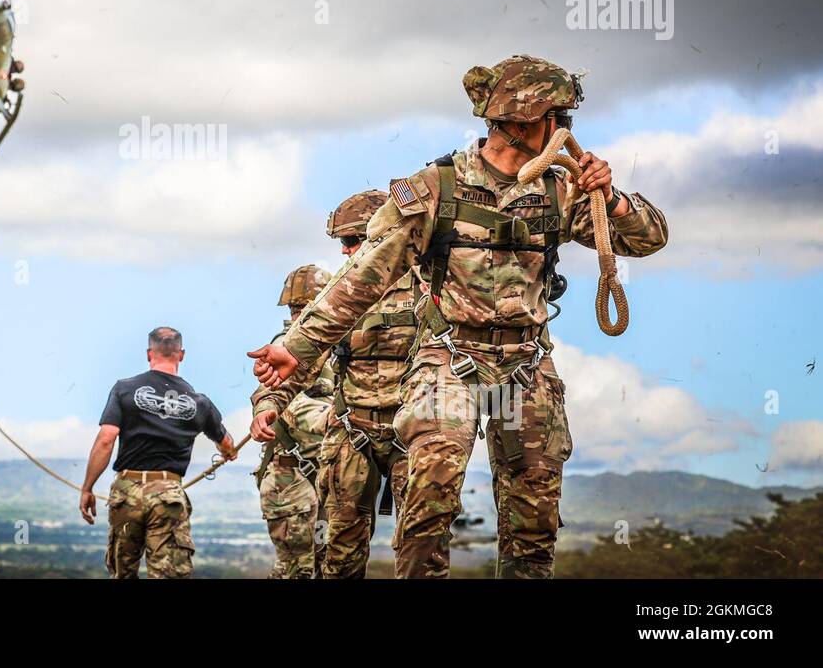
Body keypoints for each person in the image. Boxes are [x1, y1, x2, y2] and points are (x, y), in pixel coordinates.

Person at [251, 55, 668, 578]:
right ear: (522, 119)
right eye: (557, 118)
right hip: (449, 358)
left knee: (535, 515)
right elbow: (365, 276)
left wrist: (614, 199)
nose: (565, 131)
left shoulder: (562, 191)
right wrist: (297, 347)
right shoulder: (436, 189)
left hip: (526, 362)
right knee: (430, 491)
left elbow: (647, 240)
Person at [252, 190, 419, 578]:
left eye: (351, 241)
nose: (345, 252)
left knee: (421, 546)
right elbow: (295, 363)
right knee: (339, 553)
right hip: (352, 435)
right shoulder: (337, 301)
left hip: (411, 436)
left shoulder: (431, 292)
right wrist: (267, 403)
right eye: (341, 243)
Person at [80, 326, 235, 578]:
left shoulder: (124, 389)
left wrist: (88, 487)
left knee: (122, 573)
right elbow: (226, 442)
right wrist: (227, 452)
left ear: (149, 353)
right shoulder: (199, 402)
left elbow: (106, 439)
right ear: (181, 355)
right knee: (168, 573)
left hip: (126, 492)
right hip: (167, 494)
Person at [251, 264, 334, 578]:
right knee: (296, 570)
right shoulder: (283, 348)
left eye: (305, 306)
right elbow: (287, 405)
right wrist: (336, 420)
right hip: (291, 477)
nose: (299, 314)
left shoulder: (341, 346)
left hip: (330, 476)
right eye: (295, 308)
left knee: (333, 567)